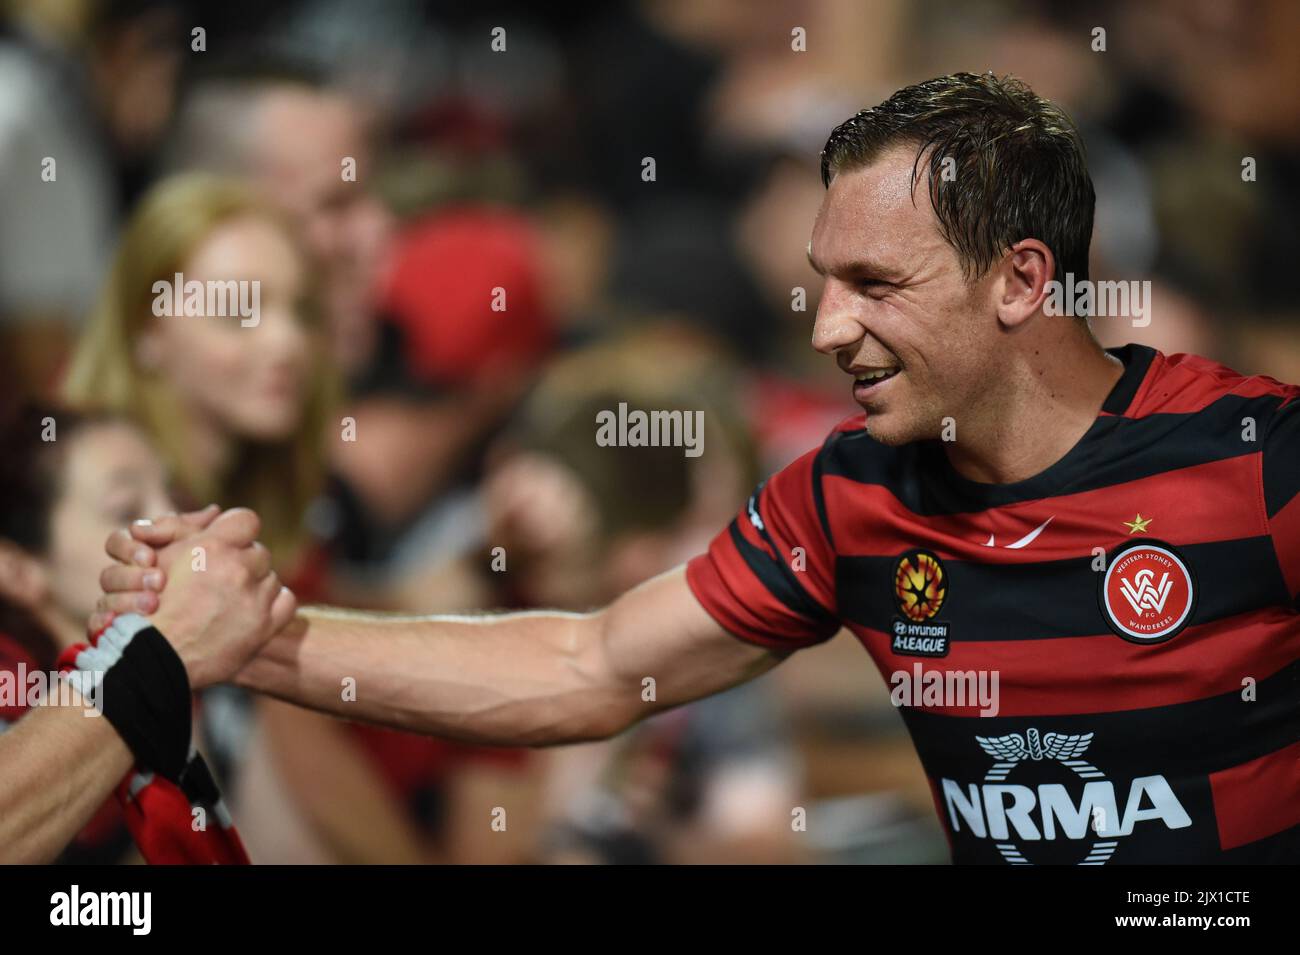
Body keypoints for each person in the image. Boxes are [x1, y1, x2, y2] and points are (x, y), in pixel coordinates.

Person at [99, 73, 1300, 865]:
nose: (828, 328)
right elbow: (589, 664)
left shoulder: (1260, 463)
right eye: (823, 280)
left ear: (1023, 282)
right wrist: (245, 637)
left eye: (877, 287)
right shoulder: (850, 497)